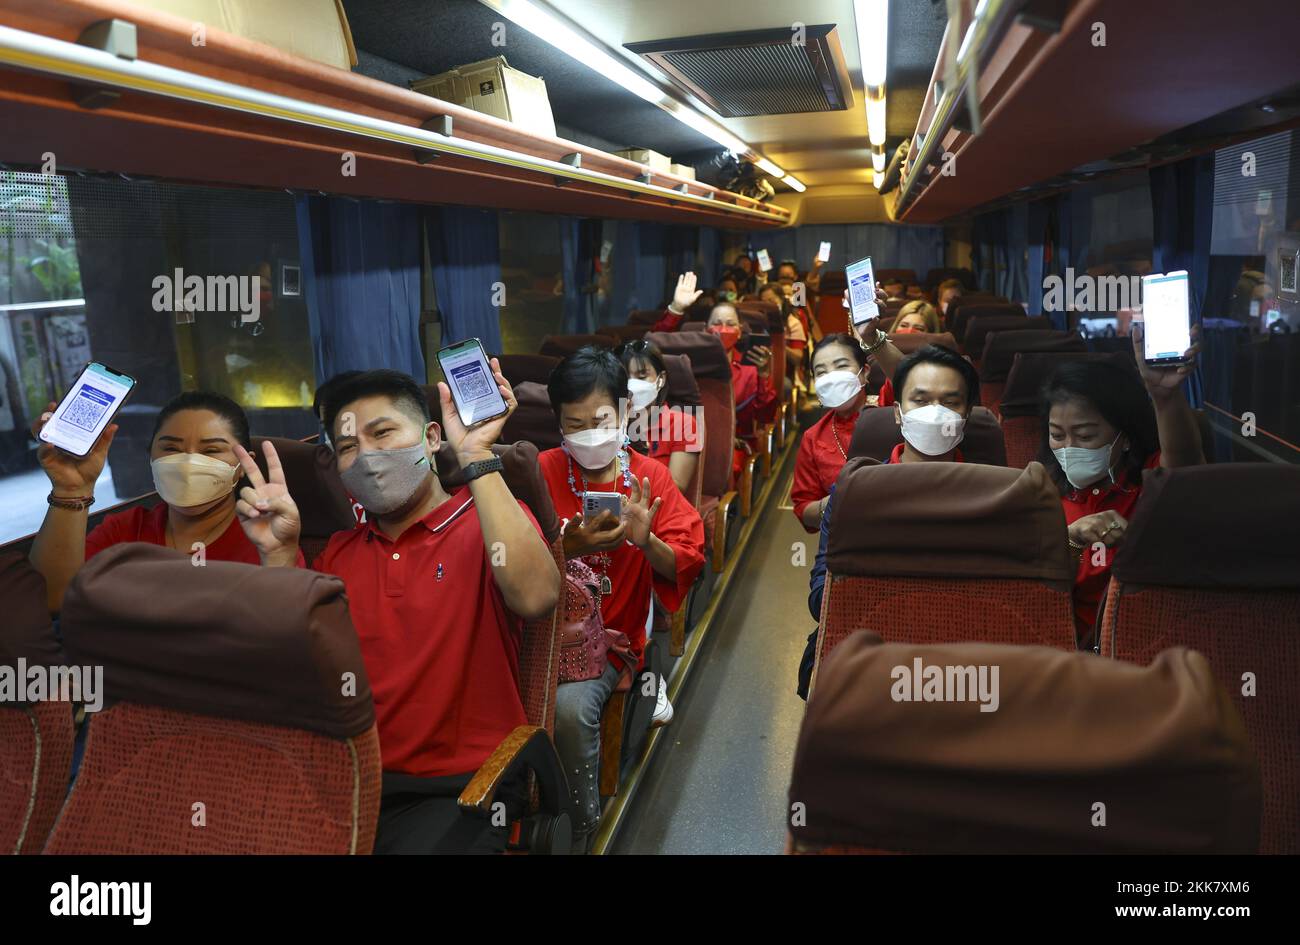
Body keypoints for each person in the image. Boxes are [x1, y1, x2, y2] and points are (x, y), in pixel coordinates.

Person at [308, 368, 560, 854]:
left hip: (460, 787)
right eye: (347, 447)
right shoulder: (338, 553)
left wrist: (477, 456)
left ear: (430, 438)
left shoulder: (485, 521)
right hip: (350, 781)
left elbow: (536, 598)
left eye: (382, 433)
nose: (367, 457)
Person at [538, 347, 705, 848]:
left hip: (607, 641)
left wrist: (645, 541)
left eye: (601, 420)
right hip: (535, 631)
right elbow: (501, 557)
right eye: (576, 424)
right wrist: (568, 546)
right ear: (559, 424)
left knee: (568, 711)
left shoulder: (648, 476)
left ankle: (581, 825)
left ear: (626, 412)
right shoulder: (540, 471)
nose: (590, 434)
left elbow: (687, 559)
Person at [799, 344, 979, 698]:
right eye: (921, 400)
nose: (935, 413)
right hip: (872, 653)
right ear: (898, 412)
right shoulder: (854, 495)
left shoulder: (998, 494)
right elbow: (822, 597)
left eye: (950, 402)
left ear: (968, 413)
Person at [28, 390, 305, 614]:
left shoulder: (266, 538)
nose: (187, 463)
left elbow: (288, 635)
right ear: (151, 456)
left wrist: (278, 556)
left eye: (211, 451)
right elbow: (52, 599)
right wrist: (70, 488)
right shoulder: (126, 530)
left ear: (243, 465)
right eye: (171, 448)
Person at [1040, 323, 1202, 647]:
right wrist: (1070, 541)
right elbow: (1038, 596)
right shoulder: (1039, 494)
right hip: (1071, 650)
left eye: (1085, 435)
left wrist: (1165, 396)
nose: (1069, 448)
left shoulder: (1147, 483)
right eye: (1058, 435)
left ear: (1124, 438)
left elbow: (1184, 471)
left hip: (1151, 640)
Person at [790, 334, 869, 533]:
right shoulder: (813, 437)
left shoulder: (892, 416)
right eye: (821, 372)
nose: (832, 378)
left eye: (841, 366)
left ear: (864, 372)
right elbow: (802, 507)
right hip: (844, 538)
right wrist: (833, 503)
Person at [617, 338, 701, 496]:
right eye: (626, 379)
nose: (631, 385)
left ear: (660, 379)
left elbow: (676, 487)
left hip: (659, 510)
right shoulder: (613, 423)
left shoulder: (684, 424)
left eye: (642, 377)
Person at [706, 302, 778, 478]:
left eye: (730, 324)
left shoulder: (750, 371)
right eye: (717, 323)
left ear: (739, 331)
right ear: (706, 329)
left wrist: (763, 375)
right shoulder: (692, 366)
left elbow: (765, 416)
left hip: (736, 444)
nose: (723, 329)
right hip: (698, 442)